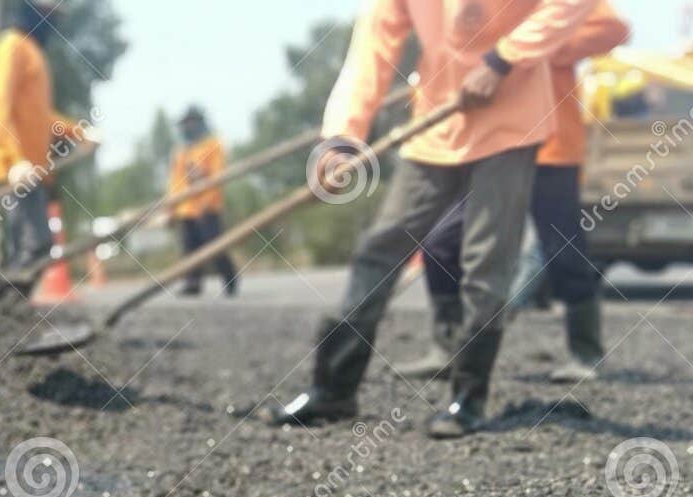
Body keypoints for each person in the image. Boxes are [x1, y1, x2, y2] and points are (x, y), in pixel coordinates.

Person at [264, 0, 598, 439]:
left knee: (486, 261)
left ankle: (469, 400)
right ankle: (333, 389)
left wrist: (503, 59)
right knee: (380, 246)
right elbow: (373, 47)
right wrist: (343, 136)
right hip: (438, 121)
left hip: (509, 121)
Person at [399, 2, 629, 384]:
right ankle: (447, 348)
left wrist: (541, 48)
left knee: (563, 246)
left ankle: (586, 353)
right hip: (487, 142)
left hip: (550, 143)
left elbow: (614, 29)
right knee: (440, 240)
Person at [0, 0, 95, 270]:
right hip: (16, 170)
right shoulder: (12, 44)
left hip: (34, 170)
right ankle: (7, 305)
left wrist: (80, 132)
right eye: (47, 15)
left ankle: (14, 306)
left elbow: (42, 116)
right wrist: (14, 159)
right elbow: (2, 105)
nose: (52, 23)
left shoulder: (34, 53)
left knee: (38, 248)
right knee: (31, 247)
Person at [170, 107, 239, 297]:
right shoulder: (181, 151)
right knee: (190, 248)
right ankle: (193, 284)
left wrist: (207, 202)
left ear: (199, 122)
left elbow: (217, 176)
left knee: (214, 246)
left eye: (190, 122)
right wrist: (173, 207)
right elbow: (176, 181)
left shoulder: (213, 145)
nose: (187, 127)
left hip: (208, 207)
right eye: (184, 123)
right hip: (186, 208)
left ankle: (230, 280)